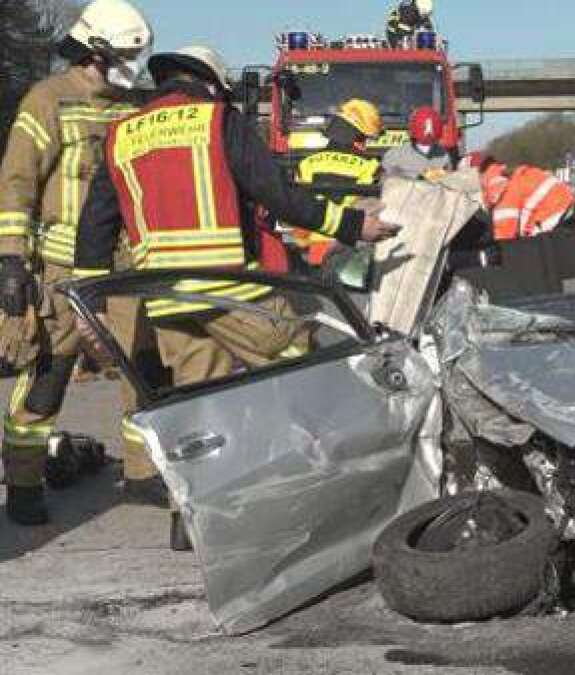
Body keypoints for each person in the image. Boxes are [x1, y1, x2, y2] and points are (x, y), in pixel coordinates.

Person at [73, 46, 399, 546]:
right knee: (302, 366)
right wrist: (356, 225)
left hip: (166, 301)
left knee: (198, 416)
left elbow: (96, 224)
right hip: (232, 291)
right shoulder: (215, 120)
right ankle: (331, 492)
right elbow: (278, 195)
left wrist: (89, 304)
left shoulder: (123, 133)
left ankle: (190, 523)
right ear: (209, 83)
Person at [0, 0, 153, 526]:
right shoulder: (48, 100)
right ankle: (23, 484)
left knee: (141, 374)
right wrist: (12, 262)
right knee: (46, 379)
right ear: (96, 52)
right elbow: (17, 182)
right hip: (61, 275)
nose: (136, 65)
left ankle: (141, 476)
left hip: (123, 269)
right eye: (128, 54)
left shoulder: (132, 106)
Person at [292, 99, 383, 267]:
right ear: (357, 137)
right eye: (366, 139)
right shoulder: (371, 168)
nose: (366, 145)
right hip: (347, 251)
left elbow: (297, 205)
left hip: (308, 249)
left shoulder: (307, 163)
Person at [382, 106, 453, 181]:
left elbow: (448, 182)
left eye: (430, 142)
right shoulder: (395, 155)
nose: (427, 145)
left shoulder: (443, 156)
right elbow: (386, 183)